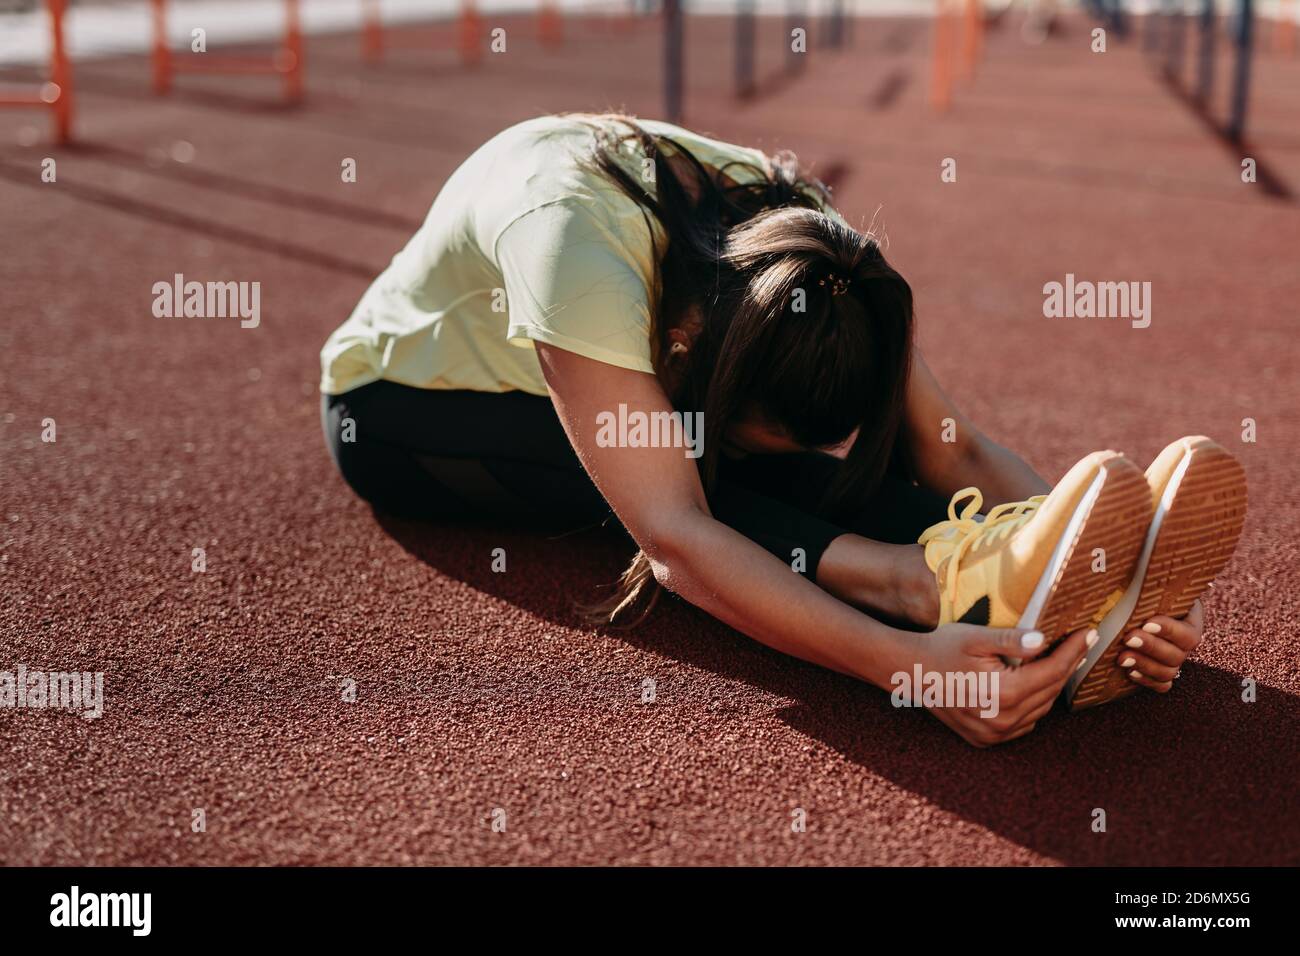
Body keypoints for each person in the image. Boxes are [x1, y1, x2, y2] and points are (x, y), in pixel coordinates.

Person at [320, 113, 1243, 746]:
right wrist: (910, 669)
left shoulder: (813, 247)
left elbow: (951, 445)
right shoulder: (574, 249)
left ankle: (993, 566)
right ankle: (929, 585)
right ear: (688, 345)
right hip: (404, 417)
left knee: (761, 465)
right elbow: (675, 537)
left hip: (662, 376)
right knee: (687, 470)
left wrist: (1113, 572)